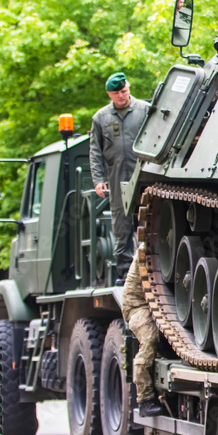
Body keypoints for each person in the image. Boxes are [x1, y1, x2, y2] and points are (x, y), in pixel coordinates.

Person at [89, 72, 149, 284]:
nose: (121, 96)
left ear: (128, 88)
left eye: (124, 91)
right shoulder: (100, 118)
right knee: (121, 225)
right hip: (116, 176)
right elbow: (95, 151)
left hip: (143, 173)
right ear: (109, 94)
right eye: (117, 93)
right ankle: (125, 273)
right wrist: (98, 179)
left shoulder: (144, 110)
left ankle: (150, 269)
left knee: (148, 219)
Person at [120, 249, 166, 417]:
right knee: (150, 338)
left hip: (155, 303)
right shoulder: (145, 252)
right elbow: (154, 286)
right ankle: (144, 400)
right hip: (137, 305)